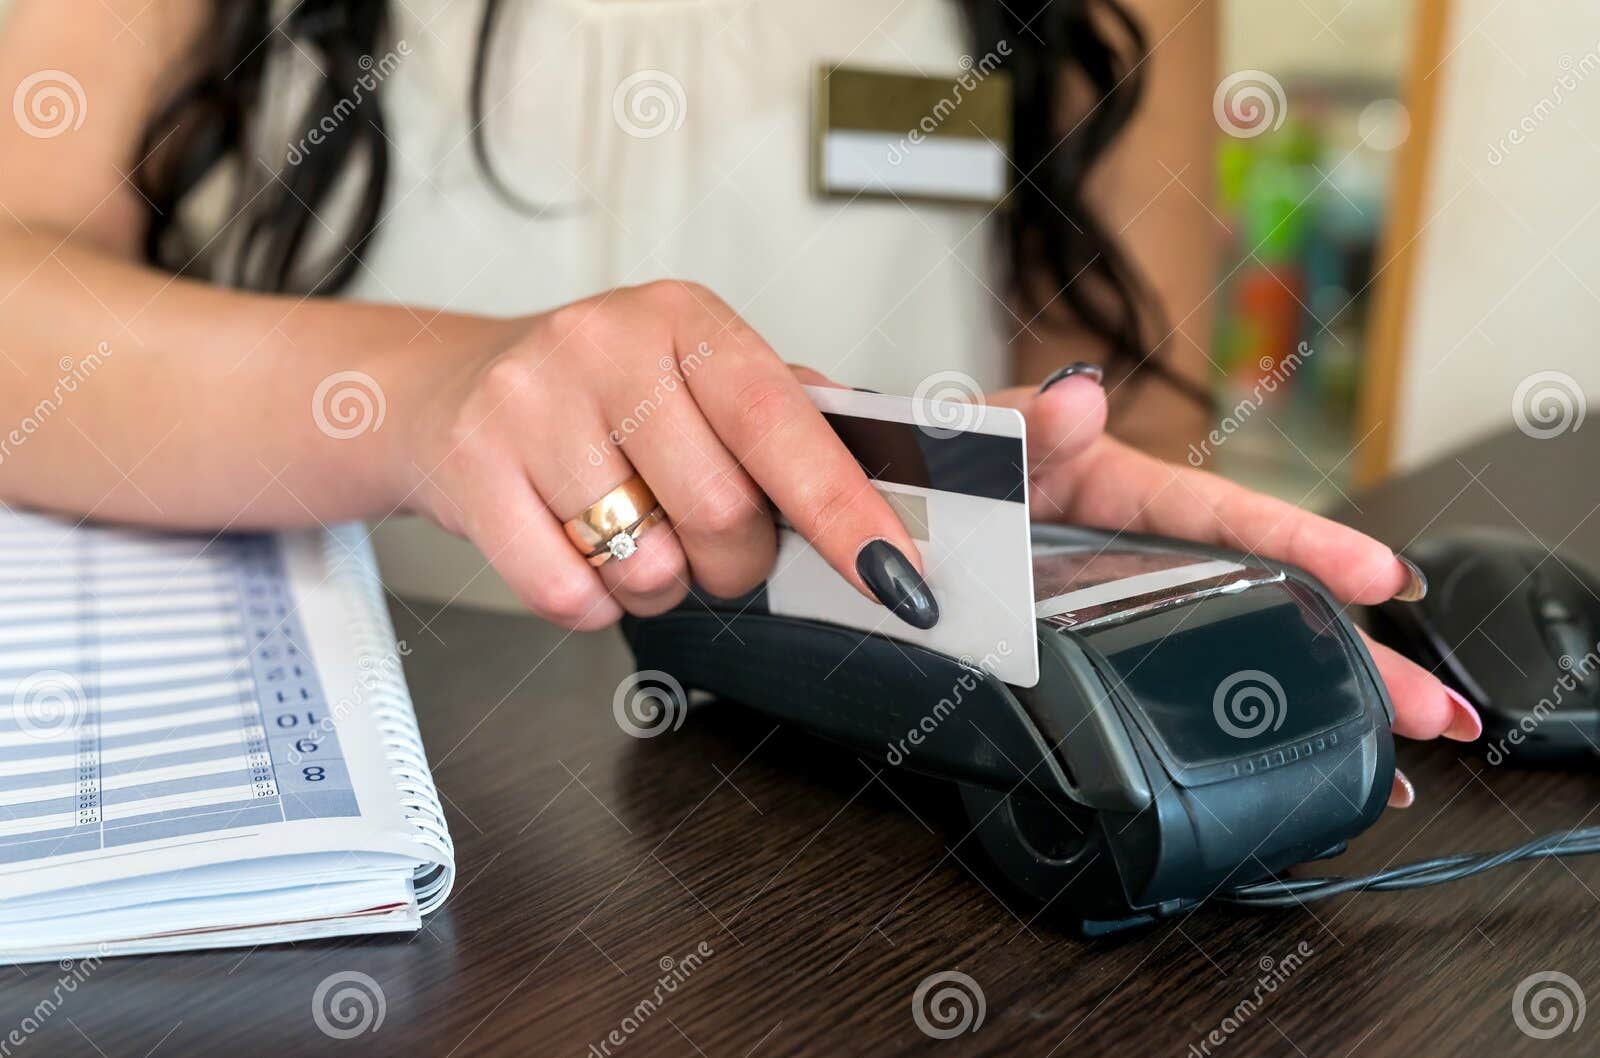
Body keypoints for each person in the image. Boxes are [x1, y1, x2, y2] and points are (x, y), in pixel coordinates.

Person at [0, 0, 1479, 808]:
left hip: (835, 808)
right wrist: (416, 393)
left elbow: (1130, 412)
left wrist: (1066, 550)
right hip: (357, 810)